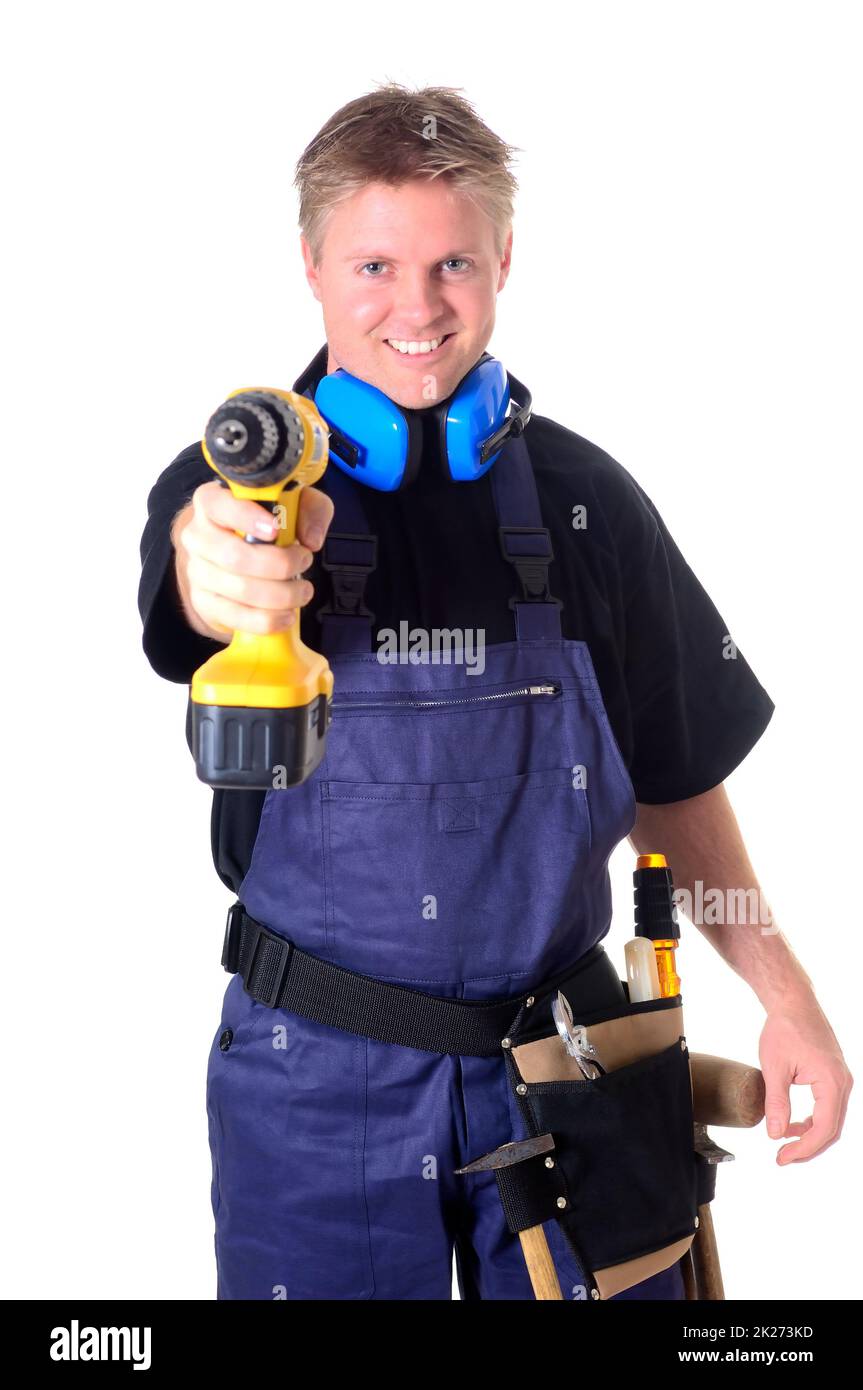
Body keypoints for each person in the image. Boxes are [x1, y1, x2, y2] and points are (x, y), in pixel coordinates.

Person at [138, 83, 852, 1301]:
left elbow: (673, 781)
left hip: (572, 1068)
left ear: (503, 260)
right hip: (313, 1082)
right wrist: (223, 567)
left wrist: (790, 1001)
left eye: (450, 263)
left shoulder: (589, 504)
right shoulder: (236, 493)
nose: (414, 309)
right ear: (309, 264)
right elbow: (199, 583)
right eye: (373, 263)